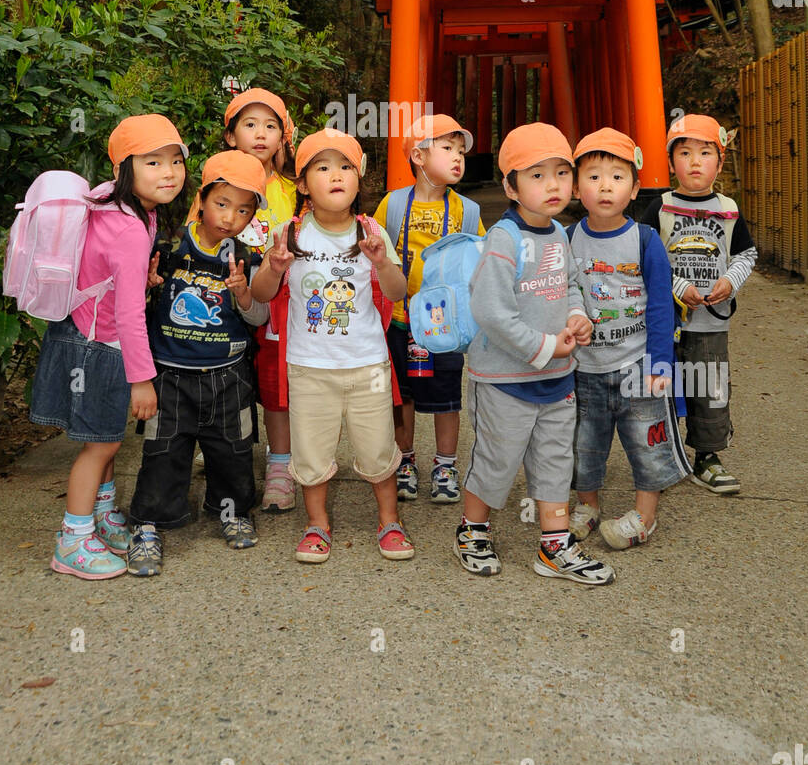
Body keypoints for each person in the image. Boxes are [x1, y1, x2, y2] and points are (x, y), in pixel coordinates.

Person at [29, 115, 188, 579]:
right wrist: (142, 380)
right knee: (100, 444)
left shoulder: (110, 201)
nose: (169, 172)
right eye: (153, 162)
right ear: (124, 167)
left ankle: (100, 517)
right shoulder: (131, 227)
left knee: (106, 438)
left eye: (175, 161)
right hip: (98, 343)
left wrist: (139, 279)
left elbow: (110, 276)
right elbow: (128, 317)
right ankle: (73, 539)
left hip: (79, 330)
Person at [457, 123, 615, 585]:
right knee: (496, 459)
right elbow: (489, 310)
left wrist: (576, 317)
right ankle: (472, 529)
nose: (553, 186)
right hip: (505, 378)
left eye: (561, 174)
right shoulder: (504, 238)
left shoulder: (560, 235)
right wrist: (544, 346)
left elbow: (567, 287)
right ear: (510, 185)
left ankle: (554, 545)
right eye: (537, 175)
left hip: (558, 376)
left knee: (554, 460)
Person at [251, 129, 415, 564]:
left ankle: (389, 520)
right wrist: (274, 266)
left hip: (368, 365)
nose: (335, 175)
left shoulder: (371, 231)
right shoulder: (290, 233)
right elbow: (262, 294)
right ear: (303, 183)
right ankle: (317, 524)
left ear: (359, 180)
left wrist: (381, 262)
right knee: (311, 452)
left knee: (379, 449)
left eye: (345, 167)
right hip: (308, 366)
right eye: (322, 168)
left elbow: (397, 292)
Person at [126, 151, 270, 575]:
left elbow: (259, 316)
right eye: (222, 203)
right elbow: (133, 305)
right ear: (202, 199)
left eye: (244, 209)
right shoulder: (168, 245)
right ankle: (148, 524)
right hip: (170, 375)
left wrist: (244, 292)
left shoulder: (245, 256)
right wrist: (148, 285)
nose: (230, 217)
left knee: (232, 451)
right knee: (163, 452)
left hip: (228, 376)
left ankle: (232, 510)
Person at [566, 129, 691, 550]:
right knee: (584, 442)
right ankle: (587, 505)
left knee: (646, 439)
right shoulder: (567, 240)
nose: (605, 186)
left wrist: (661, 363)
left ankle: (644, 515)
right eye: (594, 176)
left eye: (617, 177)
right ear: (575, 187)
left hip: (637, 364)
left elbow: (661, 305)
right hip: (585, 367)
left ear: (636, 187)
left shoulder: (644, 240)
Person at [640, 114, 757, 495]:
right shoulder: (659, 207)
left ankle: (708, 454)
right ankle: (661, 455)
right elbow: (644, 256)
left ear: (720, 162)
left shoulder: (729, 209)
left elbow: (745, 254)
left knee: (710, 387)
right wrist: (677, 286)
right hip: (664, 321)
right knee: (661, 385)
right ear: (671, 162)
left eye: (705, 153)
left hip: (711, 320)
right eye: (684, 153)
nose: (694, 162)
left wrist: (729, 281)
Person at [373, 114, 484, 505]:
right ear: (418, 156)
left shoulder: (466, 210)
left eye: (461, 151)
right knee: (400, 395)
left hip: (445, 324)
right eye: (448, 148)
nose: (458, 157)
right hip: (400, 319)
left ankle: (445, 464)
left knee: (446, 396)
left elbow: (479, 258)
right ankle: (405, 460)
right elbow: (376, 251)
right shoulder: (393, 203)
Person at [198, 88, 298, 513]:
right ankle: (219, 446)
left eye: (271, 126)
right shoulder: (212, 190)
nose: (260, 134)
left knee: (277, 389)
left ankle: (280, 464)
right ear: (230, 136)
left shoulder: (293, 190)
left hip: (279, 308)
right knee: (222, 381)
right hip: (224, 305)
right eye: (250, 124)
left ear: (284, 137)